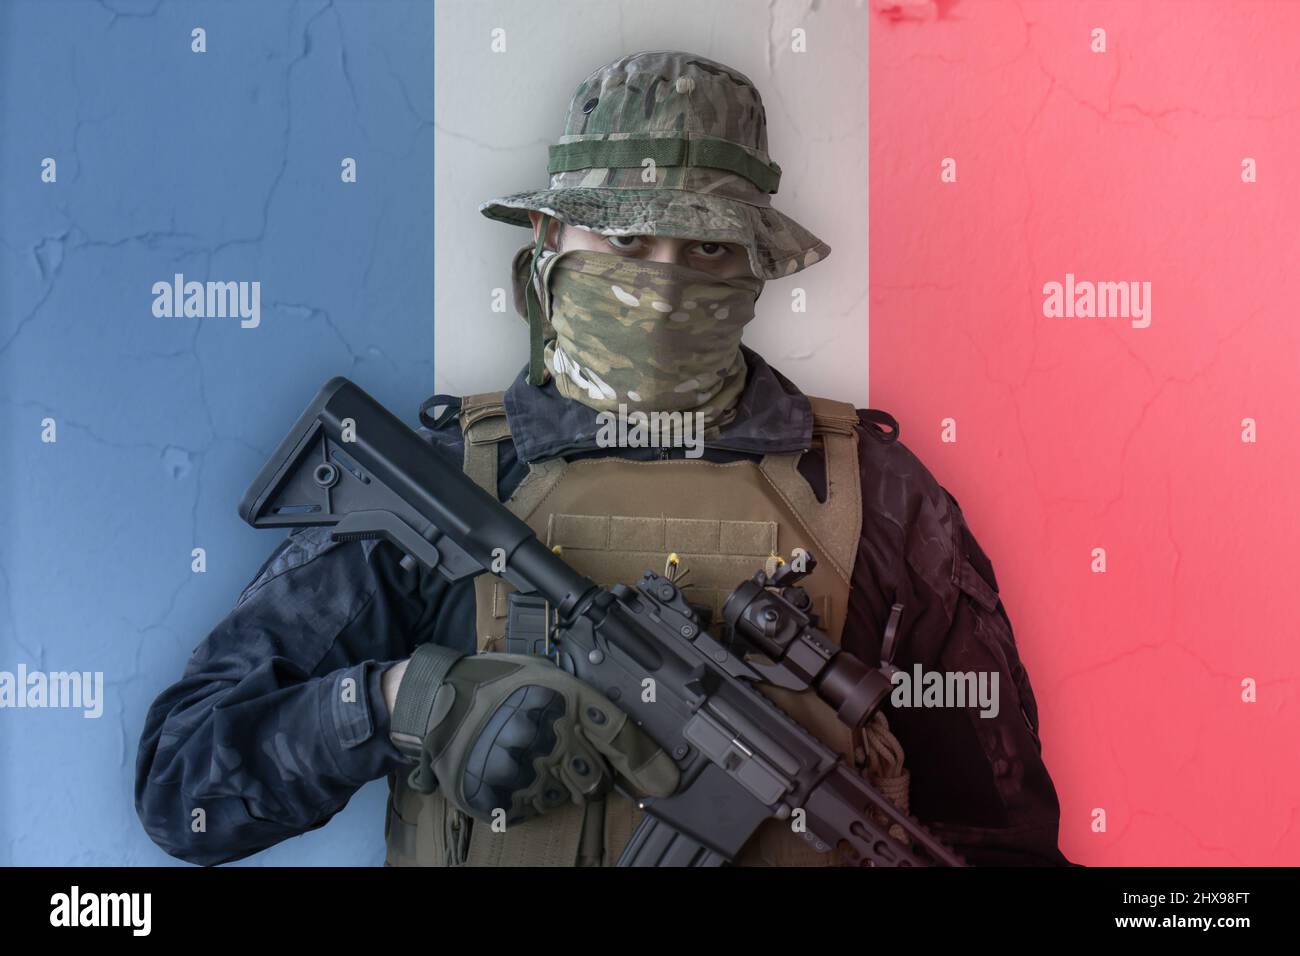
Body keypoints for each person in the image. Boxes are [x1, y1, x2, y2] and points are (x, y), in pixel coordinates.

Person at [136, 50, 1068, 867]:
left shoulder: (877, 496)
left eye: (707, 246)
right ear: (549, 244)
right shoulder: (450, 478)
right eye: (625, 239)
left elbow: (999, 838)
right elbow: (186, 788)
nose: (664, 282)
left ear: (753, 265)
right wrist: (401, 702)